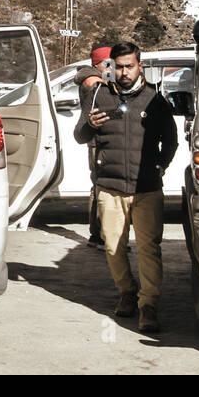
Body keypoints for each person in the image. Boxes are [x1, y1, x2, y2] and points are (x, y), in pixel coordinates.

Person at [75, 40, 177, 334]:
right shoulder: (100, 96)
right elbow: (80, 136)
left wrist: (161, 166)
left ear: (139, 65)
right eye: (117, 67)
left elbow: (170, 140)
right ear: (111, 68)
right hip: (109, 187)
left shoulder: (155, 99)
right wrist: (90, 126)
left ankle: (148, 305)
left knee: (148, 248)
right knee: (113, 246)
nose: (123, 72)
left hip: (147, 188)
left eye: (129, 66)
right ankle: (127, 292)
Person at [75, 44, 113, 250]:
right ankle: (99, 234)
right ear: (100, 63)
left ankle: (97, 234)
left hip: (96, 140)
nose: (113, 68)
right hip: (97, 140)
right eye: (109, 63)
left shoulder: (93, 79)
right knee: (101, 186)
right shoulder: (94, 83)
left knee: (98, 186)